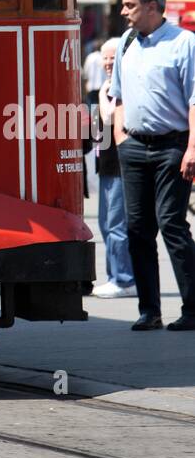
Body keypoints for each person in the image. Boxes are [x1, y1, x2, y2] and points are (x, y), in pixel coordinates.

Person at [109, 0, 195, 331]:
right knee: (137, 228)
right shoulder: (127, 41)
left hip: (172, 146)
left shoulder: (184, 43)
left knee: (172, 224)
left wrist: (192, 148)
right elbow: (118, 96)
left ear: (153, 7)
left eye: (130, 5)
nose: (123, 11)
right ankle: (149, 311)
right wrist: (120, 136)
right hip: (134, 146)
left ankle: (192, 310)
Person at [92, 38, 136, 298]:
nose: (108, 63)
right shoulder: (107, 86)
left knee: (117, 224)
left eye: (112, 57)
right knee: (107, 223)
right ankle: (115, 276)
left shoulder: (123, 87)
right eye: (105, 58)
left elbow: (111, 119)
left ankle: (124, 279)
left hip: (121, 164)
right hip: (106, 164)